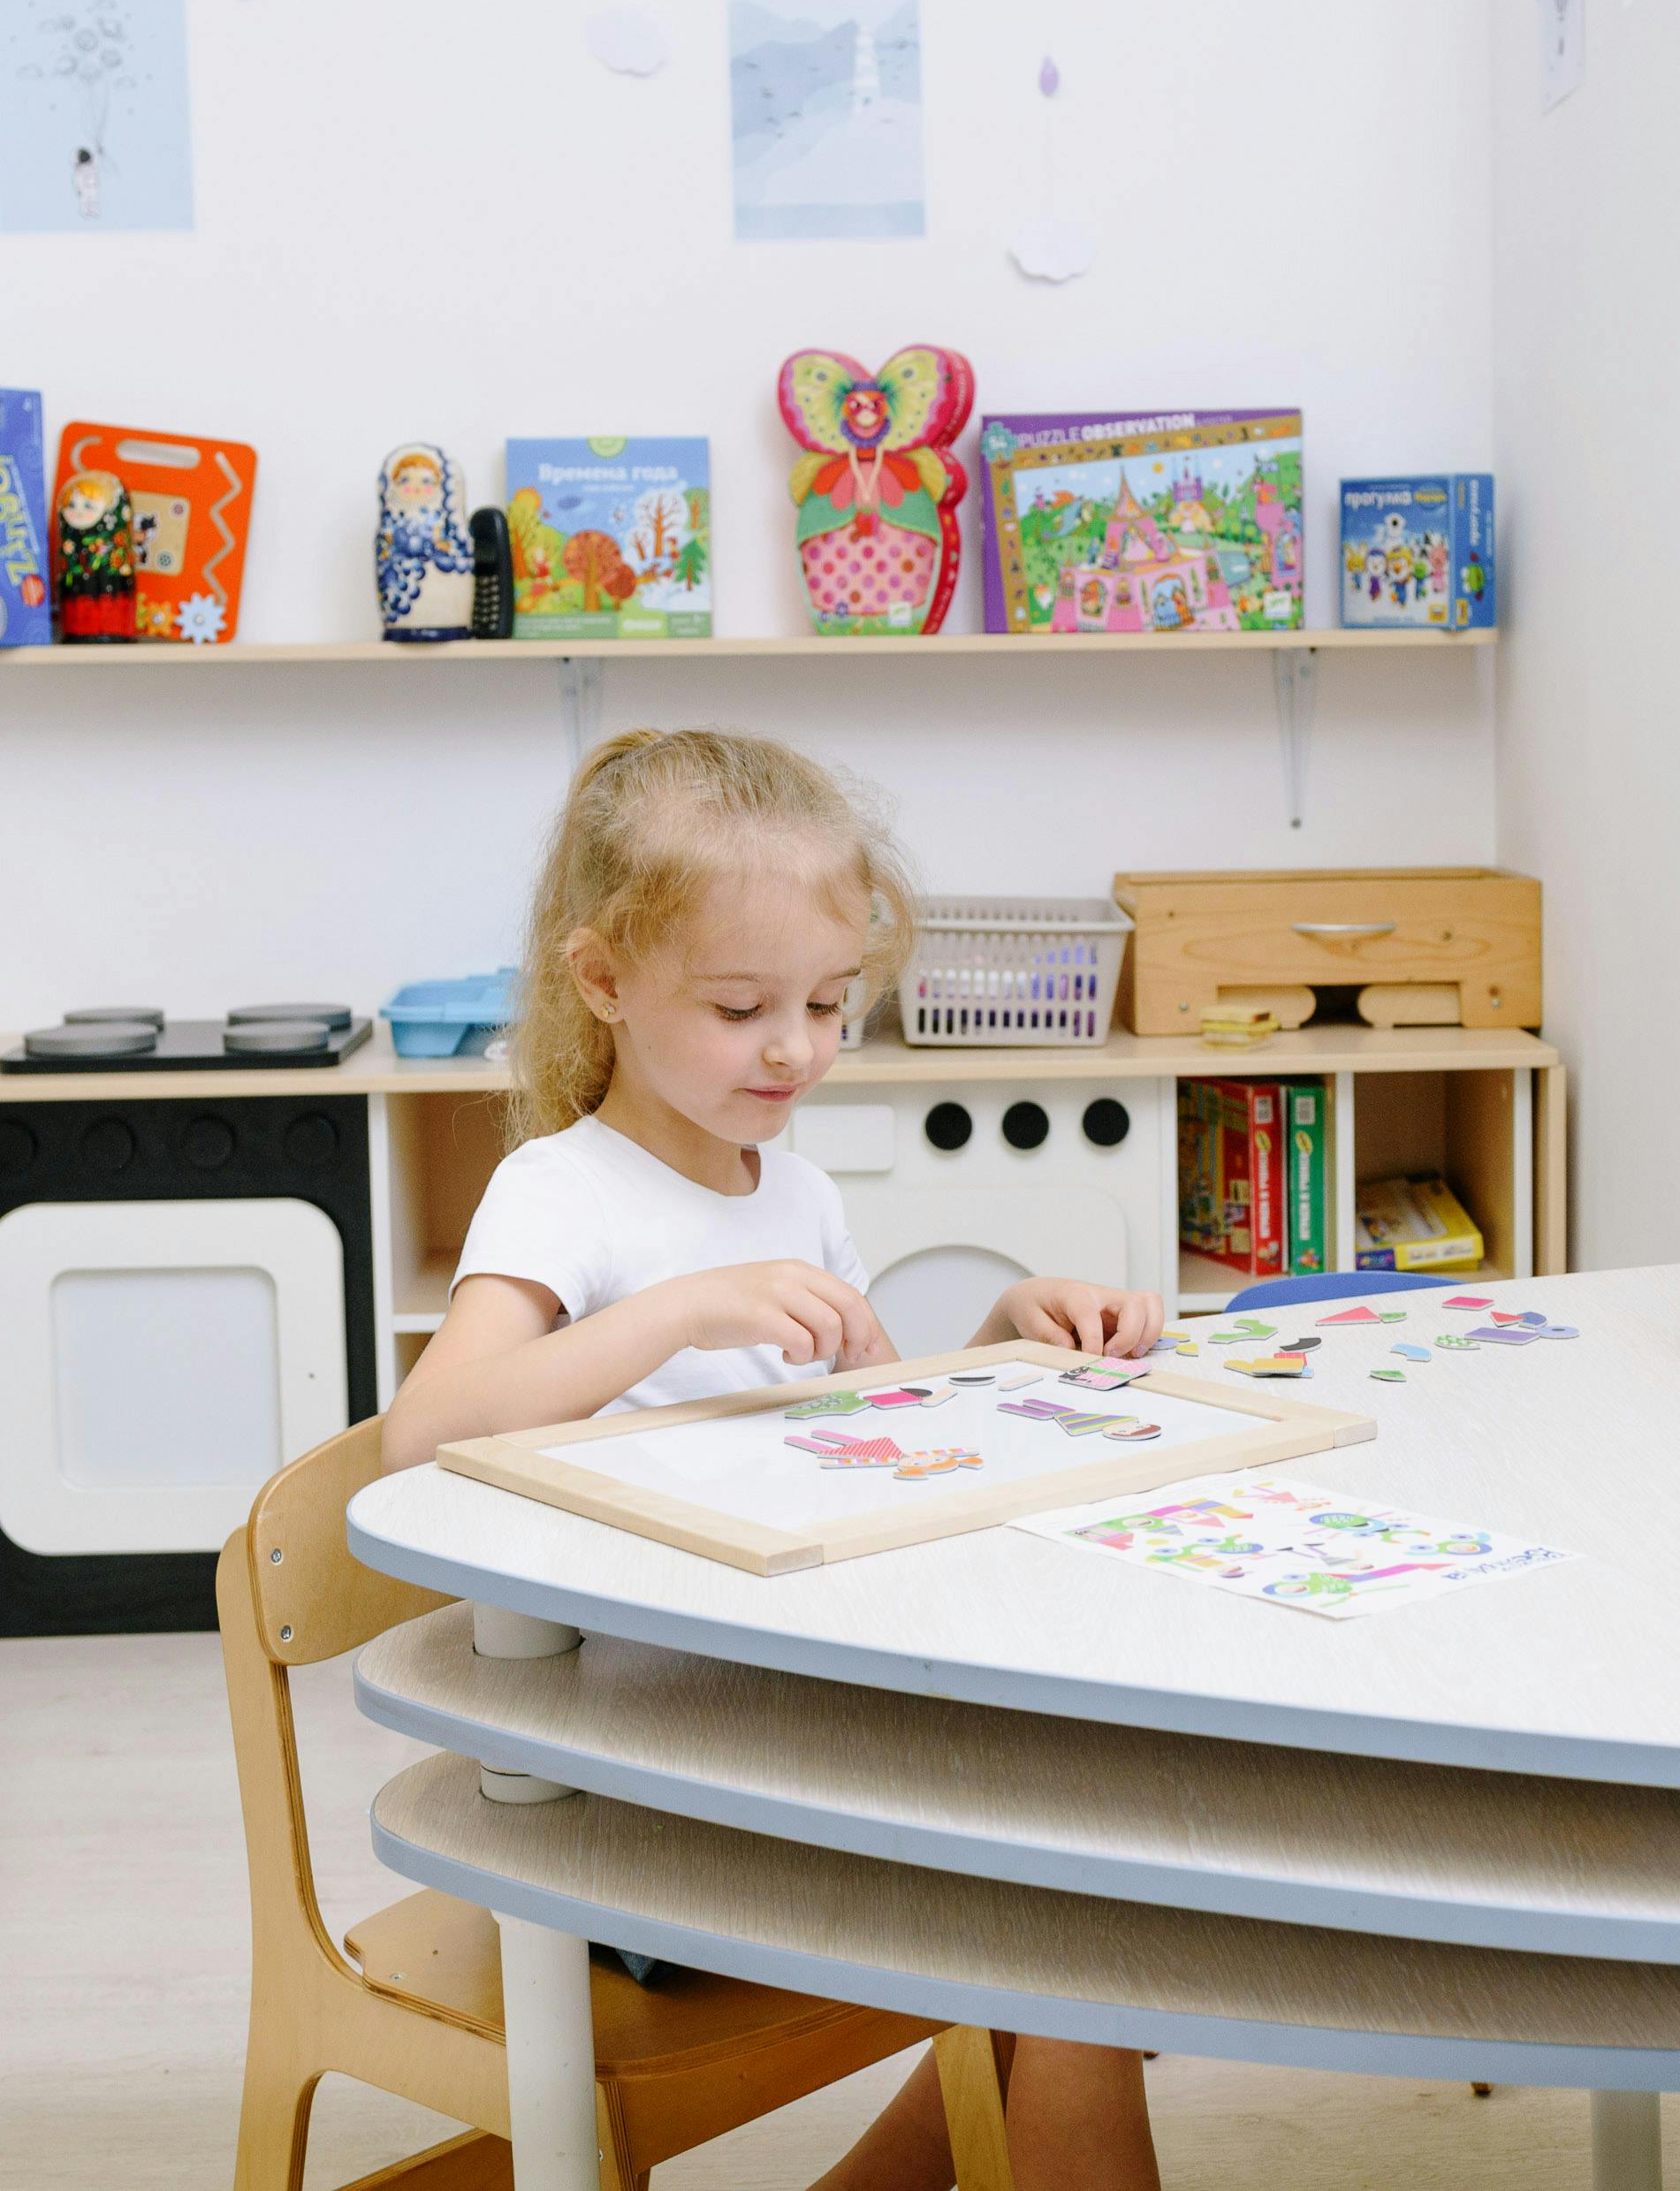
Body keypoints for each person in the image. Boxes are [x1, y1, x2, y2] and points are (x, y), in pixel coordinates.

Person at [378, 727, 1165, 2191]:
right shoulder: (563, 1194)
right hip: (622, 1806)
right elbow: (426, 1433)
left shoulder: (790, 1188)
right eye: (743, 1008)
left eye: (826, 1001)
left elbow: (852, 1426)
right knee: (1081, 1917)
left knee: (1093, 1898)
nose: (795, 1048)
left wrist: (1001, 1339)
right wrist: (673, 1312)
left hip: (770, 1731)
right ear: (603, 980)